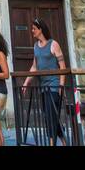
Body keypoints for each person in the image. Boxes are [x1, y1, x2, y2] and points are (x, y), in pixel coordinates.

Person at [22, 17, 66, 145]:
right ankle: (64, 141)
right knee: (50, 116)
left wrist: (61, 86)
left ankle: (51, 143)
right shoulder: (36, 46)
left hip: (53, 86)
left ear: (41, 29)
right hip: (43, 87)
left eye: (34, 29)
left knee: (50, 117)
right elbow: (34, 67)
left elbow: (62, 67)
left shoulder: (54, 44)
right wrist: (26, 82)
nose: (32, 31)